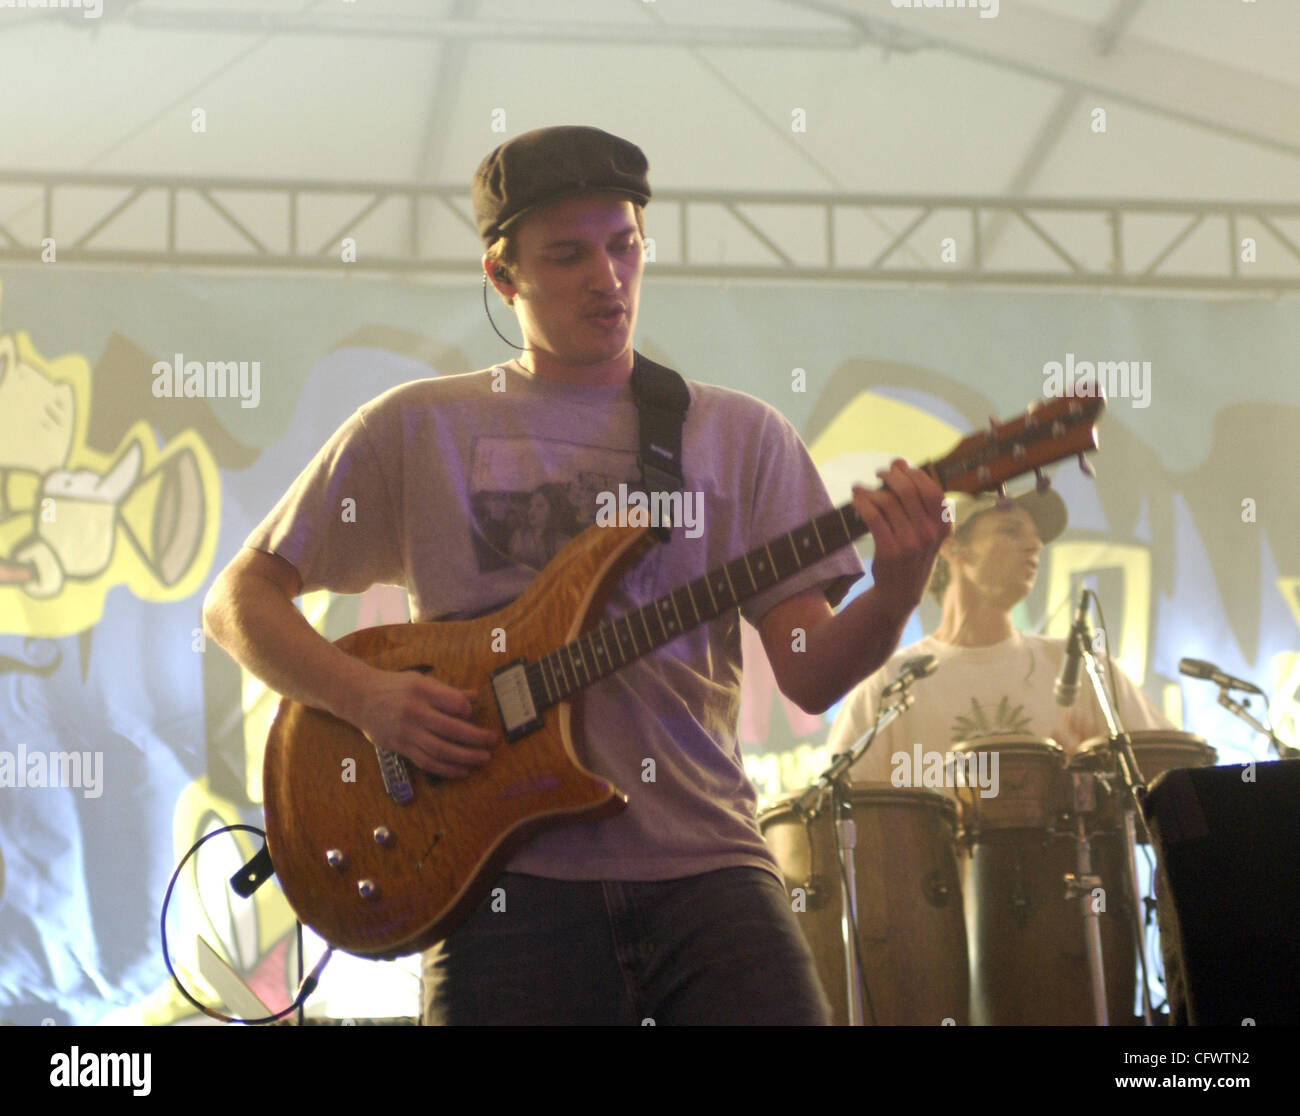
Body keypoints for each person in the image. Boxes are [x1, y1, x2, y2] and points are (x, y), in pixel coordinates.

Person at [202, 125, 949, 1025]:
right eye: (568, 255)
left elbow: (811, 672)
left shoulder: (738, 436)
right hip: (498, 881)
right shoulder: (417, 427)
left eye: (624, 245)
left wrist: (897, 590)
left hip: (708, 865)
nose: (608, 277)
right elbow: (237, 601)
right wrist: (365, 699)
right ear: (502, 275)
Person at [827, 487, 1171, 780]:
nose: (1034, 545)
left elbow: (1172, 774)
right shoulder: (888, 684)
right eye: (1011, 530)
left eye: (1036, 536)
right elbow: (839, 810)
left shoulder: (1086, 670)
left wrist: (1109, 774)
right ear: (951, 544)